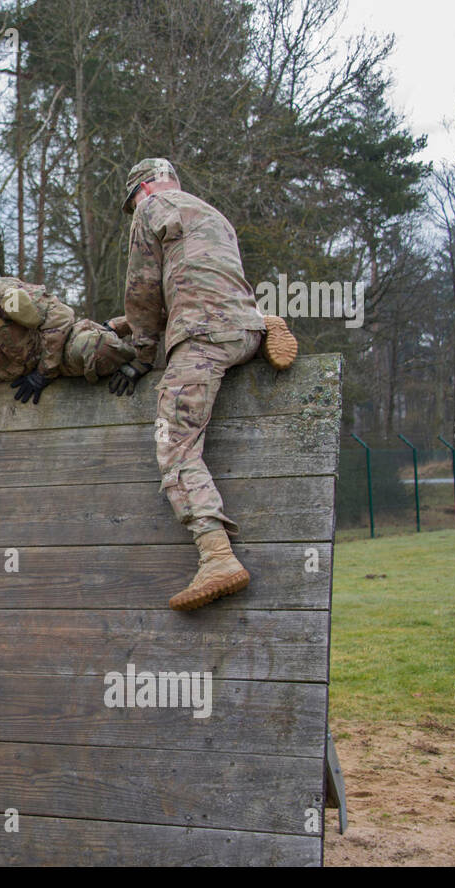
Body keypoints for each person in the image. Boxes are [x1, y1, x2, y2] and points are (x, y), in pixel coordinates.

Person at [114, 157, 299, 611]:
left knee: (175, 443)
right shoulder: (212, 213)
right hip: (240, 327)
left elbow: (143, 292)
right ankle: (266, 324)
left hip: (201, 337)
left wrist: (140, 355)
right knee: (237, 329)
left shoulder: (149, 210)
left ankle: (217, 555)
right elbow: (197, 278)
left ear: (141, 190)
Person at [0, 252, 137, 416]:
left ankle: (115, 329)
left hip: (53, 355)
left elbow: (60, 317)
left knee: (100, 348)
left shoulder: (4, 297)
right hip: (14, 382)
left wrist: (44, 372)